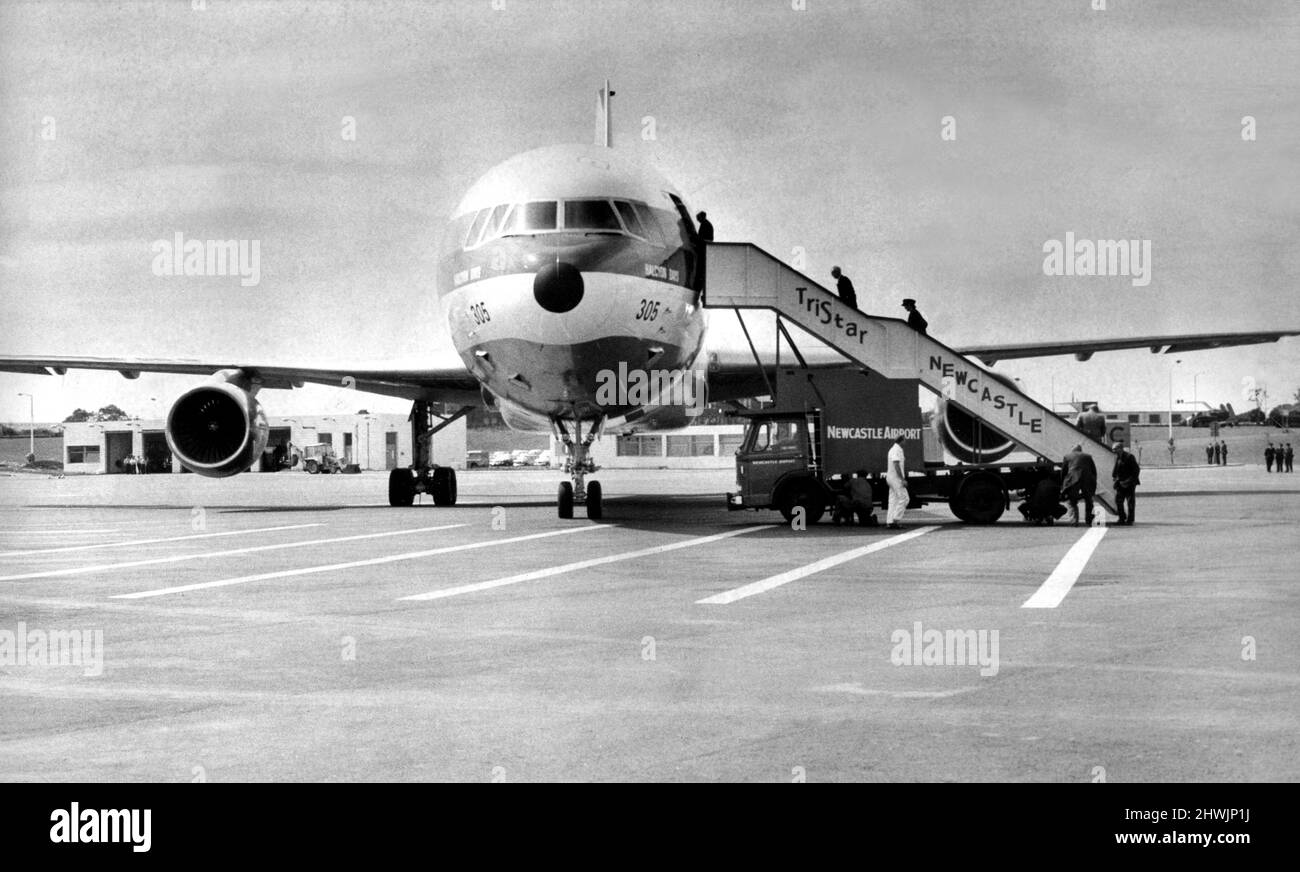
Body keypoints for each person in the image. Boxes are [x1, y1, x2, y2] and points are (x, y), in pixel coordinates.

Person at [1061, 442, 1098, 525]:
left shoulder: (1067, 456)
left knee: (1071, 500)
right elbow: (1093, 470)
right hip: (1087, 479)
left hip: (1073, 479)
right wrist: (1093, 481)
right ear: (1081, 450)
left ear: (1072, 450)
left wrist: (1063, 484)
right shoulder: (1088, 456)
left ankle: (1074, 521)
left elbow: (1063, 471)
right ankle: (1089, 520)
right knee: (1089, 500)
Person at [1111, 441, 1141, 526]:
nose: (1113, 451)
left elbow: (1136, 470)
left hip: (1129, 484)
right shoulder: (1117, 457)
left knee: (1130, 502)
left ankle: (1130, 520)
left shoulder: (1129, 457)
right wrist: (1114, 476)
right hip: (1120, 483)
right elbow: (1117, 468)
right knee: (1118, 501)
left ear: (1120, 449)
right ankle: (1122, 518)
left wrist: (1128, 482)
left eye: (1115, 449)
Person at [884, 435, 908, 529]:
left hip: (891, 477)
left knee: (893, 500)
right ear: (901, 441)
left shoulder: (894, 449)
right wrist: (902, 479)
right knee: (905, 498)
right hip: (895, 478)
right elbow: (896, 465)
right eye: (904, 440)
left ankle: (890, 521)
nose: (905, 442)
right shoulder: (896, 450)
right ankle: (896, 520)